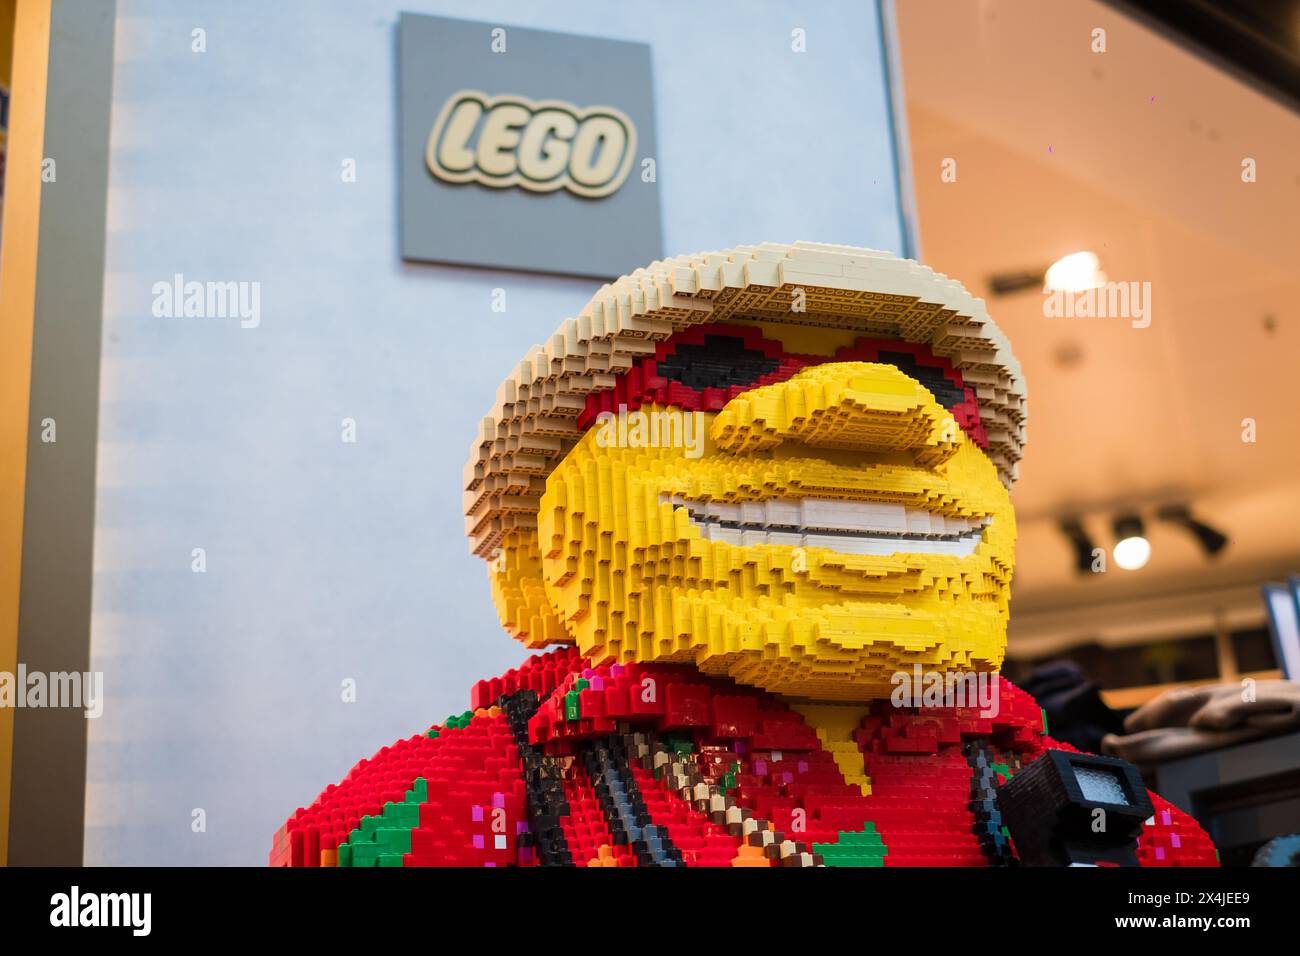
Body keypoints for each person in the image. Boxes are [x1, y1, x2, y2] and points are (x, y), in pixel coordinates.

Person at [271, 242, 1216, 867]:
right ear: (531, 556)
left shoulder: (1098, 818)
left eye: (928, 385)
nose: (878, 410)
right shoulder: (453, 812)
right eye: (714, 372)